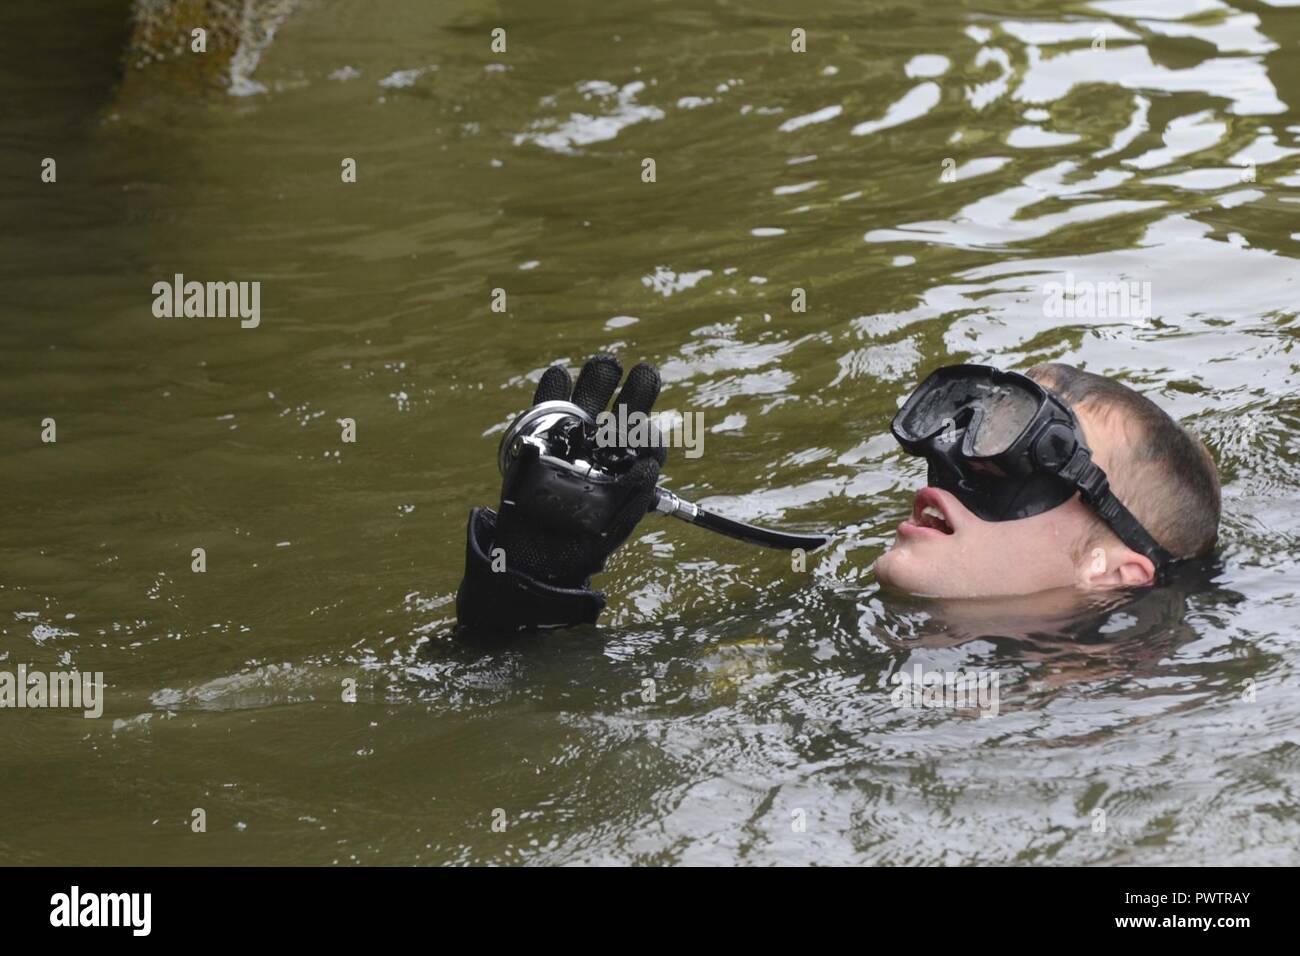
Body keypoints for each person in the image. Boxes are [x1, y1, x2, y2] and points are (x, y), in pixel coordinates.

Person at [455, 355, 1221, 631]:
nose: (949, 472)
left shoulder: (1143, 745)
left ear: (1113, 569)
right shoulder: (802, 635)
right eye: (958, 428)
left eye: (1016, 456)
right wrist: (528, 590)